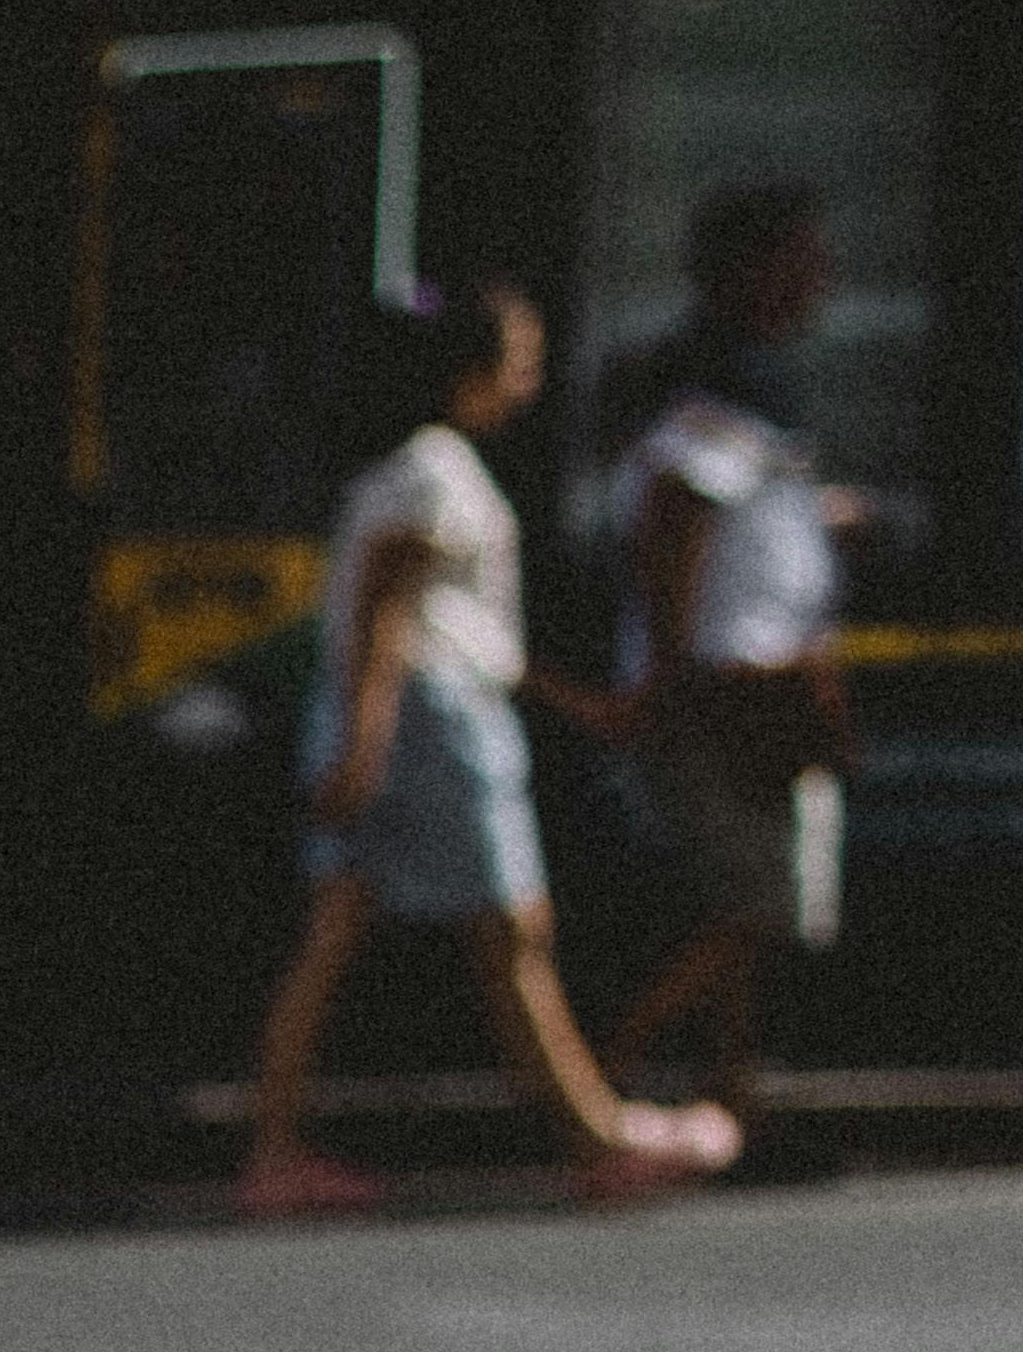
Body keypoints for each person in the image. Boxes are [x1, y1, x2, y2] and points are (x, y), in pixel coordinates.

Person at [228, 278, 727, 1215]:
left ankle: (274, 1149)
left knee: (344, 932)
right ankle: (594, 1134)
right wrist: (370, 749)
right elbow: (391, 617)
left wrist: (571, 704)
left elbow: (455, 622)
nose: (528, 385)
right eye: (520, 364)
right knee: (512, 932)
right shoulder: (434, 472)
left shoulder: (411, 469)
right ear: (469, 374)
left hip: (405, 712)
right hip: (429, 725)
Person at [594, 181, 853, 1110]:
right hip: (727, 686)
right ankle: (599, 1069)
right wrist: (670, 676)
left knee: (732, 900)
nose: (823, 280)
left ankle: (728, 1087)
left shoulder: (735, 379)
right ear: (751, 271)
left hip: (740, 677)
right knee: (764, 907)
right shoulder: (730, 383)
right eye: (804, 259)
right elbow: (676, 516)